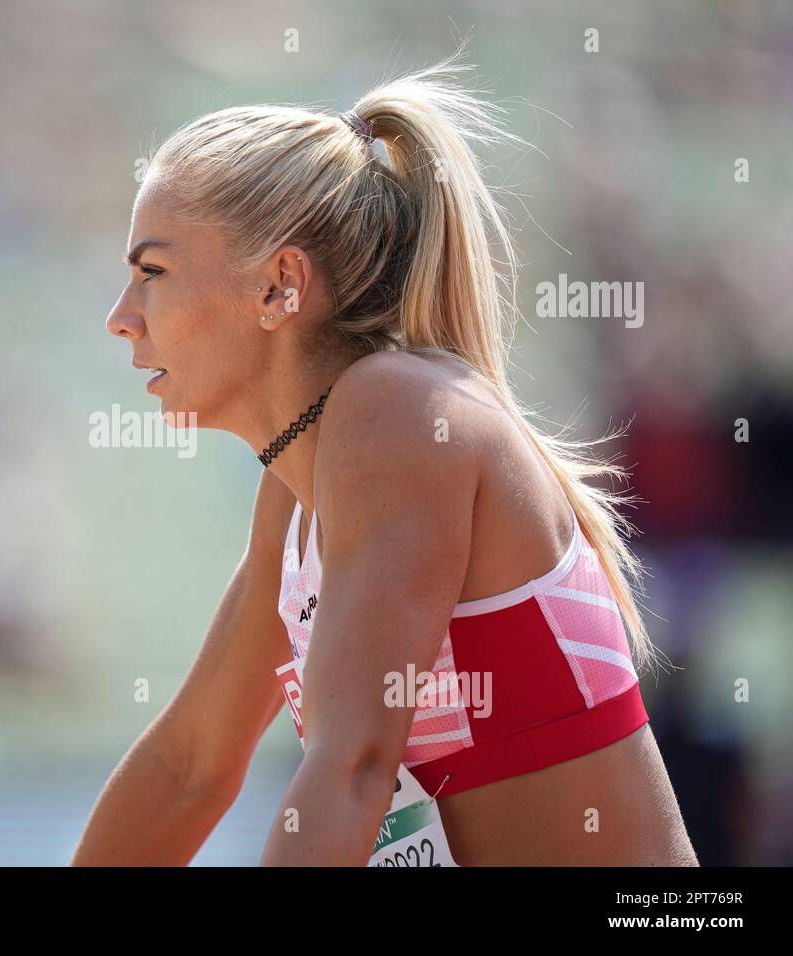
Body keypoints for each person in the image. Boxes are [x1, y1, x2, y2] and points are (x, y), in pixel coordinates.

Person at [74, 52, 699, 866]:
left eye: (152, 272)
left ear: (280, 286)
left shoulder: (395, 411)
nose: (121, 318)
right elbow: (188, 766)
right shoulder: (299, 485)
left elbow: (353, 769)